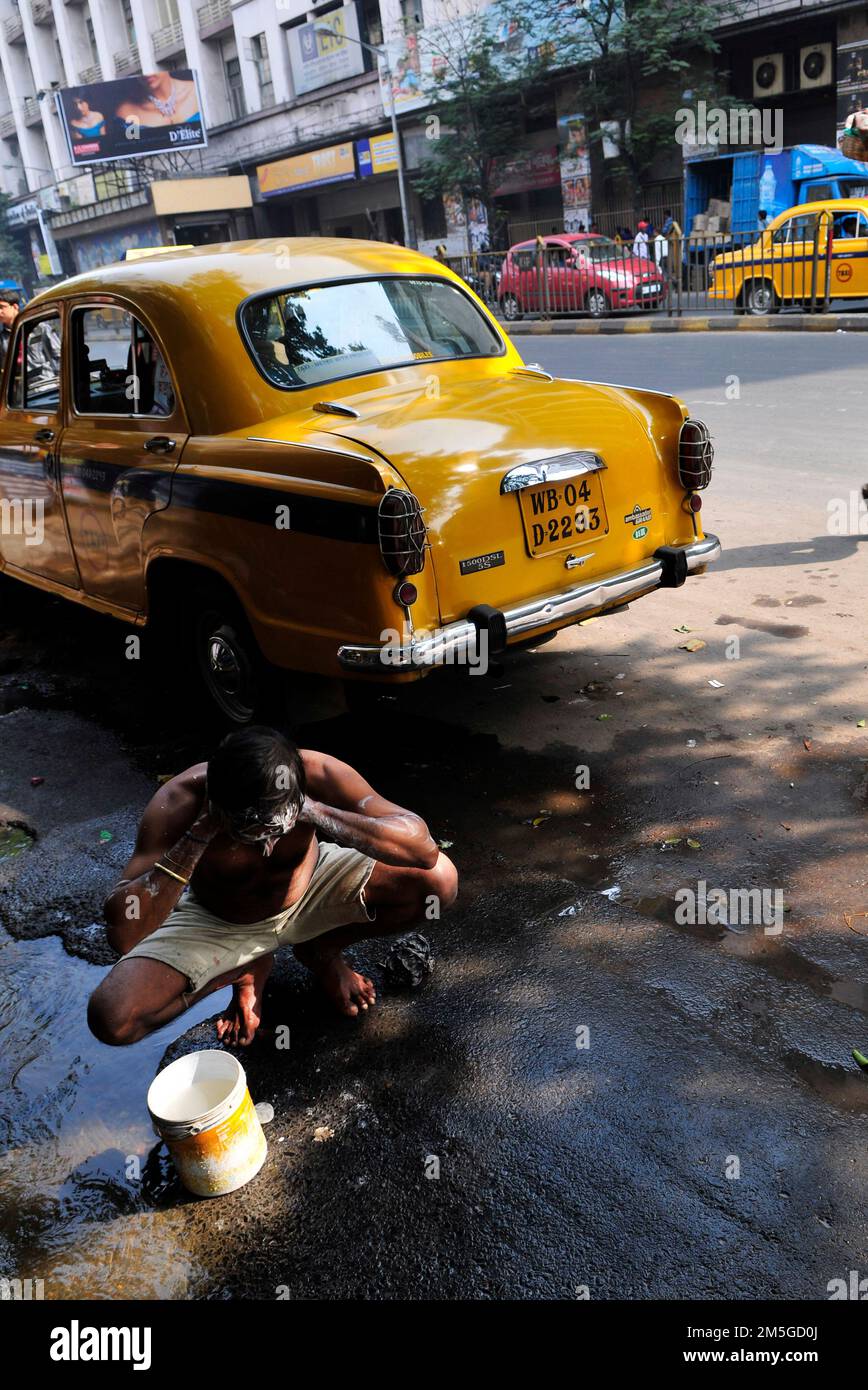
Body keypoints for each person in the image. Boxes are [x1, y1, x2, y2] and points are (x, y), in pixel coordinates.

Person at [87, 727, 459, 1047]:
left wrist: (315, 811)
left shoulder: (317, 773)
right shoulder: (180, 801)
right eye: (245, 833)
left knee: (439, 881)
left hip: (311, 885)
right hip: (223, 920)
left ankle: (321, 952)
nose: (262, 845)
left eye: (272, 831)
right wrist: (199, 834)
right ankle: (241, 969)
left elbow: (424, 851)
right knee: (114, 1019)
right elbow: (126, 936)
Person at [0, 290, 21, 364]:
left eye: (1, 307)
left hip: (45, 375)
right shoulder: (2, 339)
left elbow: (57, 354)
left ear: (15, 307)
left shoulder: (38, 327)